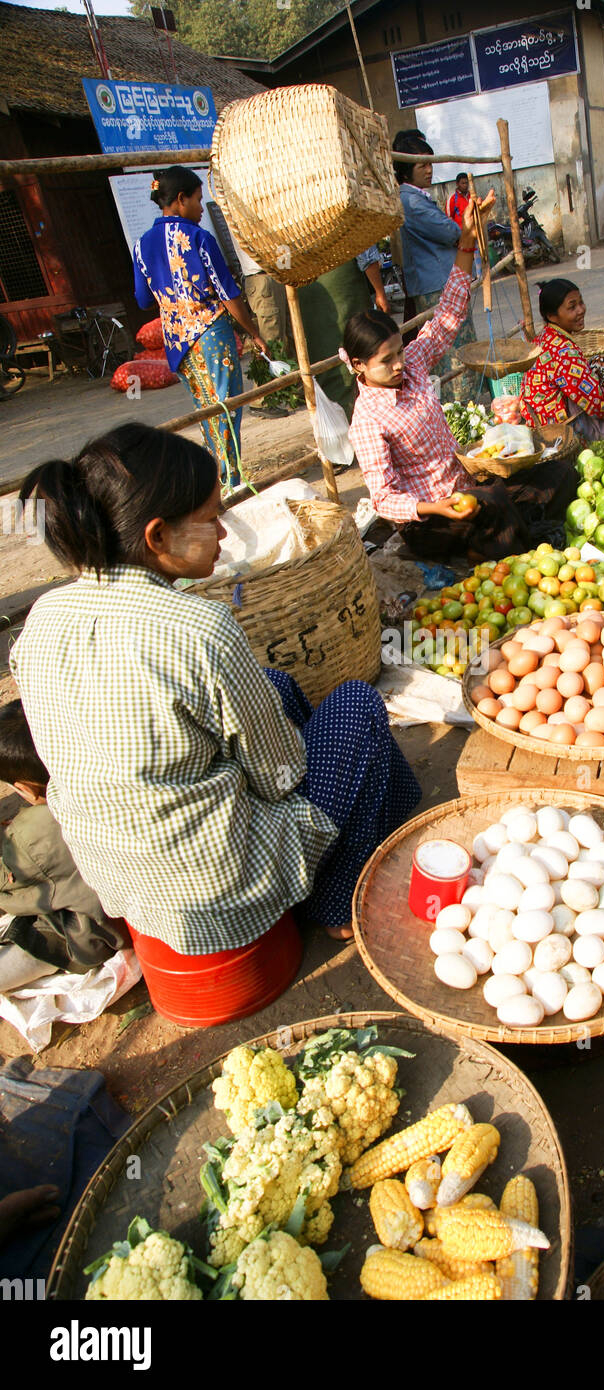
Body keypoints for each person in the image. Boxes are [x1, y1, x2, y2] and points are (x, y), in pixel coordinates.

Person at [10, 425, 420, 945]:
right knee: (356, 705)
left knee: (274, 685)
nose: (224, 533)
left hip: (125, 881)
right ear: (157, 536)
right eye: (210, 519)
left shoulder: (44, 617)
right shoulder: (198, 628)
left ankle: (387, 810)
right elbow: (280, 777)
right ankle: (334, 899)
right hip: (220, 891)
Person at [345, 196, 576, 561]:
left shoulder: (414, 366)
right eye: (385, 361)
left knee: (558, 473)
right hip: (431, 521)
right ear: (358, 365)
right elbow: (384, 498)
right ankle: (502, 538)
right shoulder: (367, 420)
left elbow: (448, 316)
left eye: (399, 353)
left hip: (470, 491)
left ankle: (498, 533)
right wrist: (435, 509)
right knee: (497, 503)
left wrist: (468, 237)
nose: (398, 365)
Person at [133, 166, 267, 492]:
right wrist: (254, 332)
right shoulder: (198, 237)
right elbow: (228, 293)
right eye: (197, 199)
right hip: (212, 333)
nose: (199, 207)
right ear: (180, 199)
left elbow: (141, 299)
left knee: (206, 412)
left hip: (177, 341)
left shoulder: (141, 246)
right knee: (226, 407)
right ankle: (229, 483)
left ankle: (216, 480)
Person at [0, 701, 128, 992]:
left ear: (26, 788)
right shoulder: (108, 771)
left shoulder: (32, 833)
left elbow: (10, 894)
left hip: (93, 936)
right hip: (131, 910)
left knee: (32, 942)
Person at [392, 130, 480, 403]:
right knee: (453, 352)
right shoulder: (411, 201)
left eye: (430, 164)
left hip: (439, 283)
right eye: (422, 166)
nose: (429, 171)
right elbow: (452, 232)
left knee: (455, 348)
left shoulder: (417, 198)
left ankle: (464, 405)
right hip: (436, 287)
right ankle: (462, 406)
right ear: (408, 171)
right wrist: (466, 224)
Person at [521, 279, 604, 439]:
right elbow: (595, 402)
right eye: (572, 307)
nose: (580, 310)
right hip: (559, 432)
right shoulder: (563, 352)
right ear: (551, 316)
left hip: (539, 423)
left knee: (599, 363)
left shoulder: (543, 338)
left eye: (581, 303)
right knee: (603, 369)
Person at [297, 247, 390, 423]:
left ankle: (346, 437)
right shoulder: (344, 224)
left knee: (331, 371)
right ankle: (367, 433)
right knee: (363, 359)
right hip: (344, 295)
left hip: (309, 302)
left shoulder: (289, 231)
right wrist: (380, 292)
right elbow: (367, 255)